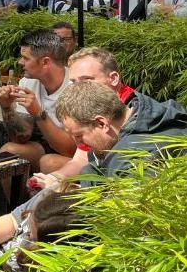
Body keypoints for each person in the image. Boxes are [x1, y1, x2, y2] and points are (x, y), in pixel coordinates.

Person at [55, 80, 187, 184]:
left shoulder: (131, 158)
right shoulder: (158, 113)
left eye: (79, 135)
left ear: (101, 123)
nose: (78, 143)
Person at [36, 46, 137, 175]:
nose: (78, 88)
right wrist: (55, 179)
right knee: (49, 164)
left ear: (113, 78)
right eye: (73, 82)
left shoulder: (132, 108)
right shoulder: (90, 106)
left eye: (87, 80)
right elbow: (81, 158)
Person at [0, 30, 74, 170]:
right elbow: (21, 138)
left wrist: (38, 112)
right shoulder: (27, 82)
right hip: (44, 147)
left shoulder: (75, 86)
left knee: (49, 162)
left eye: (26, 58)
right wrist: (6, 107)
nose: (20, 62)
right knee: (9, 152)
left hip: (77, 154)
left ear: (45, 62)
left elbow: (70, 150)